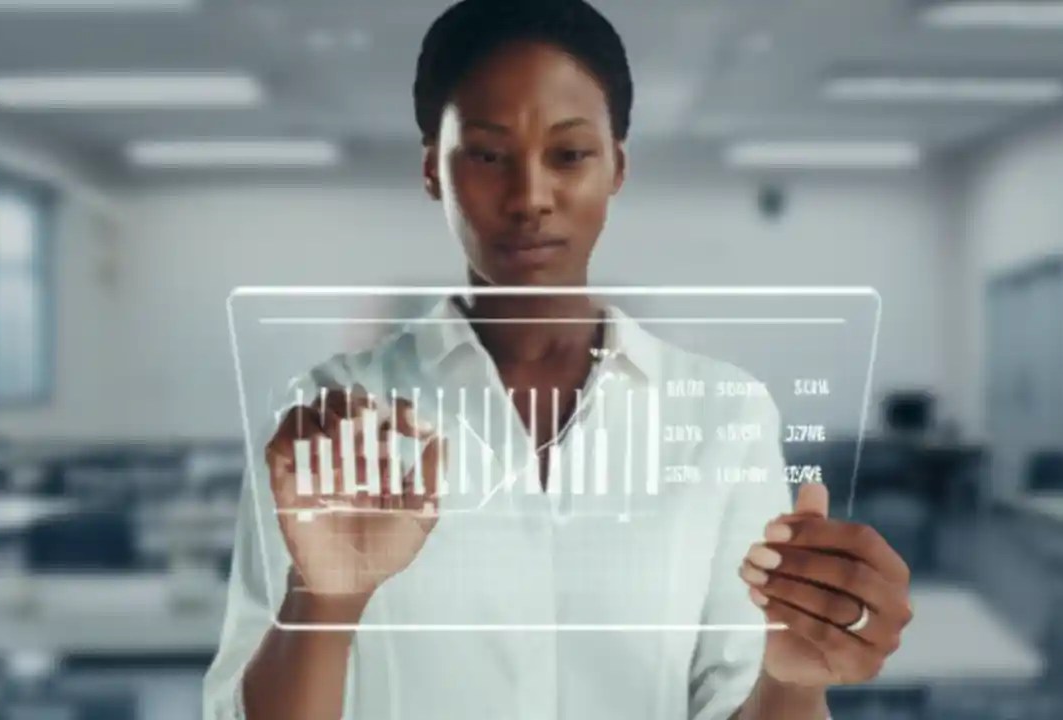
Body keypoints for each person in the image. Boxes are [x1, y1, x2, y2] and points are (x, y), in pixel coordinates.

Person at [203, 0, 912, 717]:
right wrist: (321, 602)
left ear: (617, 167)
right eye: (487, 155)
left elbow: (743, 697)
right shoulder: (332, 418)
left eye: (570, 155)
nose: (530, 198)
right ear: (432, 170)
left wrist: (793, 680)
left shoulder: (724, 415)